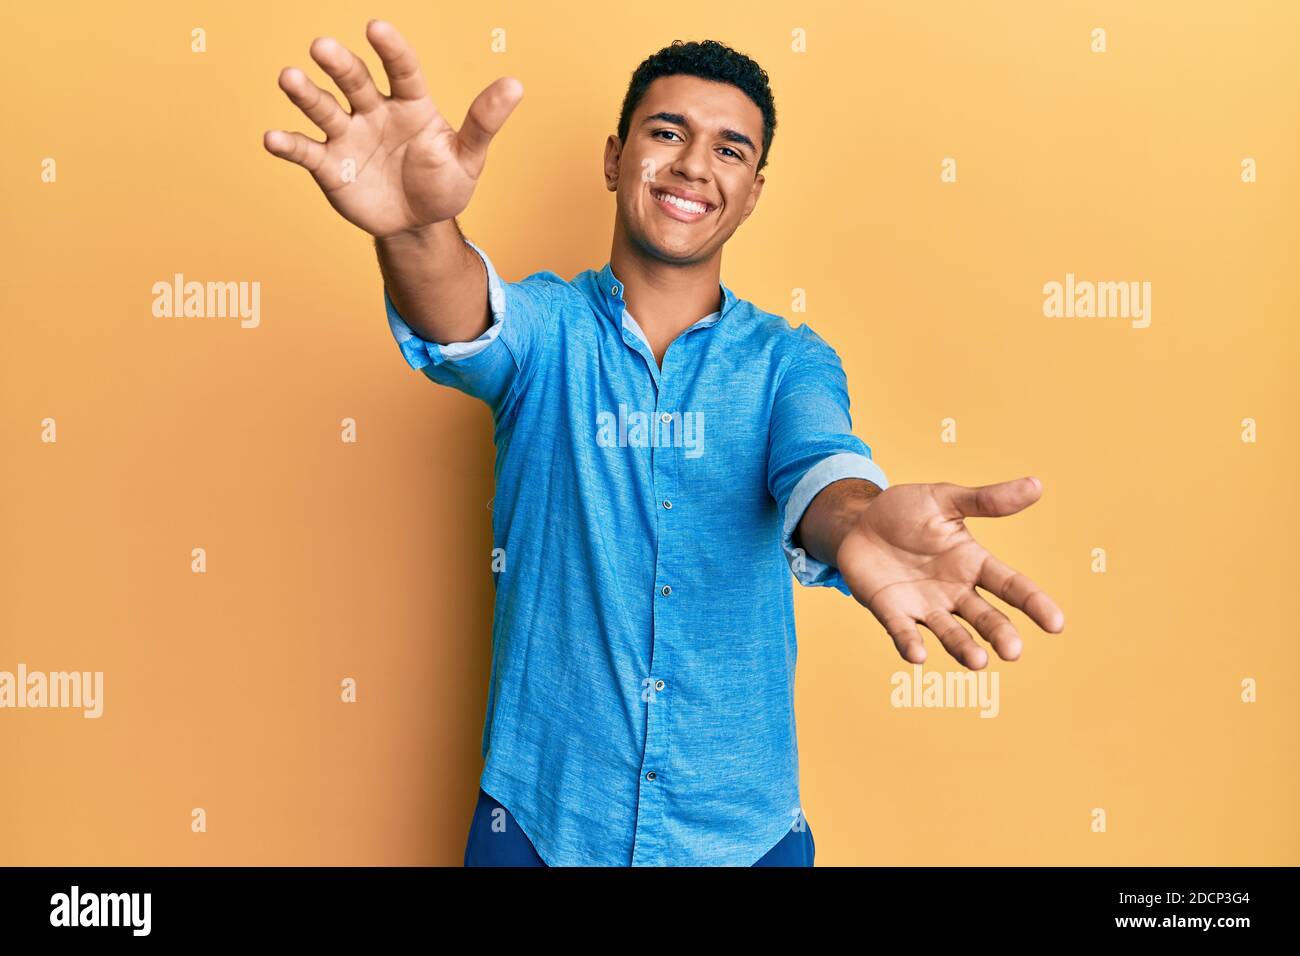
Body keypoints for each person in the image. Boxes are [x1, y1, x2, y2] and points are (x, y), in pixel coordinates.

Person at [264, 20, 1065, 867]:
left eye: (729, 150)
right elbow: (460, 313)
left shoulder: (789, 360)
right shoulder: (548, 330)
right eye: (668, 133)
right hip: (539, 821)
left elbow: (821, 467)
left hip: (743, 835)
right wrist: (413, 229)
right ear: (615, 159)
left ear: (754, 190)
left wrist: (857, 520)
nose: (692, 165)